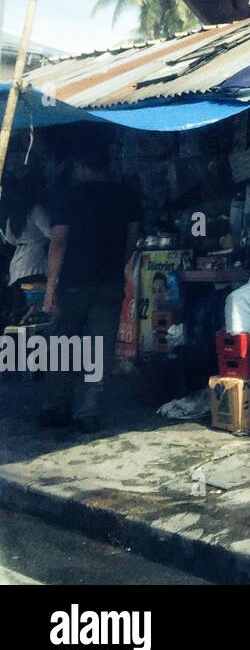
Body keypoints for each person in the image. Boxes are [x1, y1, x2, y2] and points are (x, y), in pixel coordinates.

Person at [39, 134, 140, 433]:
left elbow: (58, 242)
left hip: (72, 282)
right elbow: (132, 238)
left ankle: (56, 405)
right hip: (109, 282)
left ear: (80, 165)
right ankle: (88, 412)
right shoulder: (126, 195)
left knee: (61, 344)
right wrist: (117, 263)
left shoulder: (68, 195)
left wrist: (49, 287)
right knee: (99, 347)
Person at [0, 165, 52, 321]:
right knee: (33, 310)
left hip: (18, 265)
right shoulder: (36, 210)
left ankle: (13, 341)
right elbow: (51, 233)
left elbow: (10, 239)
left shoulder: (16, 212)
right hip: (35, 264)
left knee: (19, 308)